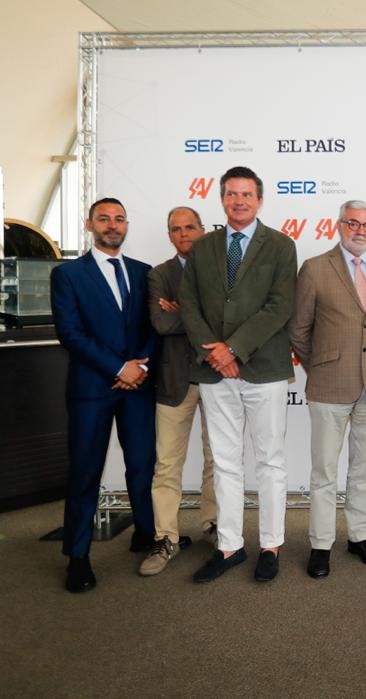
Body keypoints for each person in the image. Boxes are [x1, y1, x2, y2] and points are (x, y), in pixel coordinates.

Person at [180, 166, 297, 583]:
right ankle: (229, 545)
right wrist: (215, 353)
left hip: (263, 369)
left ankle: (271, 544)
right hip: (214, 372)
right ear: (222, 199)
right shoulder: (204, 247)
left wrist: (233, 349)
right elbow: (189, 304)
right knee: (225, 462)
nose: (239, 201)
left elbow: (279, 307)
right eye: (232, 194)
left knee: (270, 461)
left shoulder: (281, 246)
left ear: (260, 200)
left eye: (247, 194)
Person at [50, 197, 158, 592]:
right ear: (89, 224)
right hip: (92, 391)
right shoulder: (68, 275)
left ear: (127, 225)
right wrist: (119, 368)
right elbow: (71, 333)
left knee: (143, 466)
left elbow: (154, 326)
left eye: (119, 219)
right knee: (85, 473)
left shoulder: (144, 273)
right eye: (104, 219)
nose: (112, 225)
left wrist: (140, 367)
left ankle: (146, 534)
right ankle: (77, 556)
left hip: (137, 390)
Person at [288, 200, 366, 578]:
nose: (361, 230)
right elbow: (299, 330)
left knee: (364, 470)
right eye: (353, 223)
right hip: (329, 386)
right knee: (324, 472)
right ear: (338, 226)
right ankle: (321, 544)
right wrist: (321, 364)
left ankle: (359, 536)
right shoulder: (316, 268)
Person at [138, 206, 218, 577]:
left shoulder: (221, 271)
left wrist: (182, 310)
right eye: (176, 229)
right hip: (173, 383)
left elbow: (224, 322)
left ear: (203, 230)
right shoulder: (160, 274)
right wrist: (197, 314)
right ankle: (165, 537)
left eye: (190, 227)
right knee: (167, 464)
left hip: (218, 378)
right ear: (169, 235)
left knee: (217, 461)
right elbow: (161, 323)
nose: (184, 233)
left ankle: (214, 525)